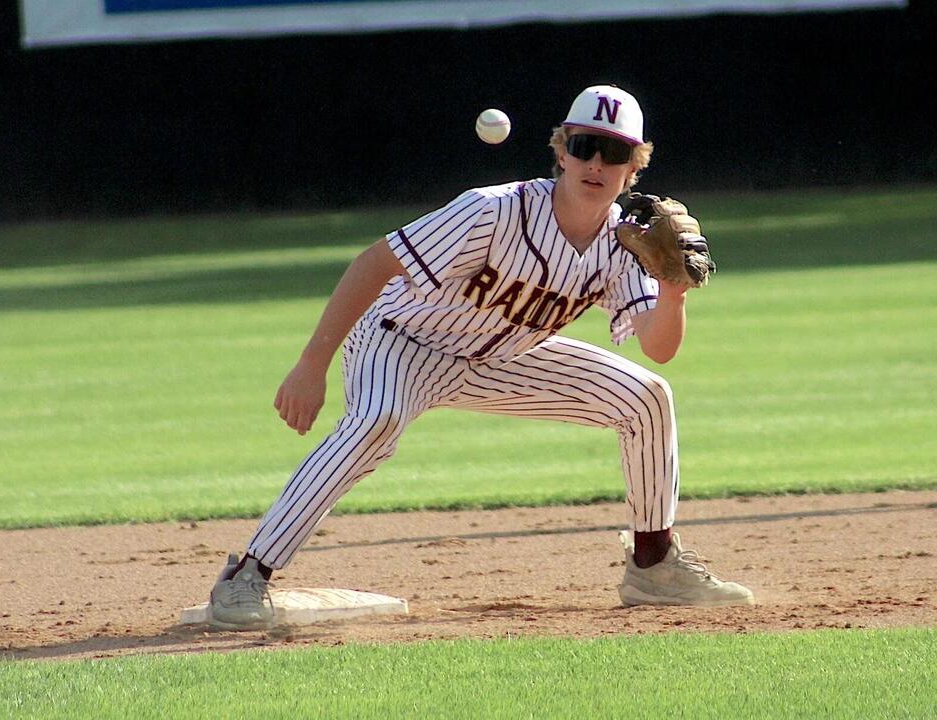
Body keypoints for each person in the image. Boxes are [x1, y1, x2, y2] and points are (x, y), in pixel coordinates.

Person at [209, 84, 754, 629]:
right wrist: (312, 364)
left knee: (646, 398)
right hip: (403, 340)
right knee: (376, 421)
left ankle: (654, 565)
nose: (595, 163)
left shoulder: (628, 242)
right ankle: (247, 577)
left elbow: (659, 348)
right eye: (584, 145)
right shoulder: (491, 211)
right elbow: (372, 264)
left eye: (613, 153)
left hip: (505, 358)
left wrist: (672, 290)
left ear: (633, 167)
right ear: (561, 150)